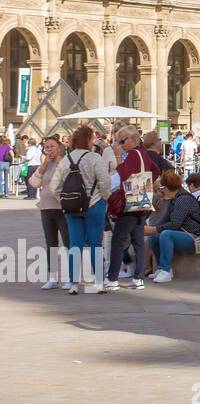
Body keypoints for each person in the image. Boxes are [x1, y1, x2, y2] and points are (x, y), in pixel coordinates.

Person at [51, 126, 113, 294]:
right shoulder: (94, 158)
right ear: (87, 140)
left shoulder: (66, 159)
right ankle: (99, 282)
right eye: (92, 138)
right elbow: (104, 181)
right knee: (95, 244)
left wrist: (63, 200)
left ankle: (73, 284)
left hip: (71, 207)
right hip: (94, 205)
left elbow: (54, 186)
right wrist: (104, 197)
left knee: (75, 244)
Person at [104, 126, 160, 291]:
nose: (120, 144)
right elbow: (155, 170)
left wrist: (117, 157)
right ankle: (138, 278)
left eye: (122, 141)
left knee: (118, 240)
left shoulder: (133, 155)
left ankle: (112, 278)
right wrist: (145, 181)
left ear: (131, 139)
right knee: (138, 240)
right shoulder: (143, 153)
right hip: (143, 201)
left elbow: (123, 173)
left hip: (130, 202)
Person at [144, 171, 200, 282]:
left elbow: (174, 224)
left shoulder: (183, 199)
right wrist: (151, 230)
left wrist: (153, 229)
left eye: (162, 187)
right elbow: (164, 220)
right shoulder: (175, 198)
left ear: (166, 188)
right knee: (154, 236)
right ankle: (162, 268)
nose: (161, 190)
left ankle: (166, 271)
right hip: (182, 234)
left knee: (166, 234)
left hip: (193, 237)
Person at [33, 135, 70, 290]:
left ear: (59, 147)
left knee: (68, 243)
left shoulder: (65, 163)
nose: (49, 150)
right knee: (51, 245)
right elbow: (34, 183)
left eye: (52, 146)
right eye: (46, 147)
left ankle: (71, 276)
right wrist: (42, 167)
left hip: (62, 208)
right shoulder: (45, 165)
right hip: (46, 208)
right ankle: (52, 277)